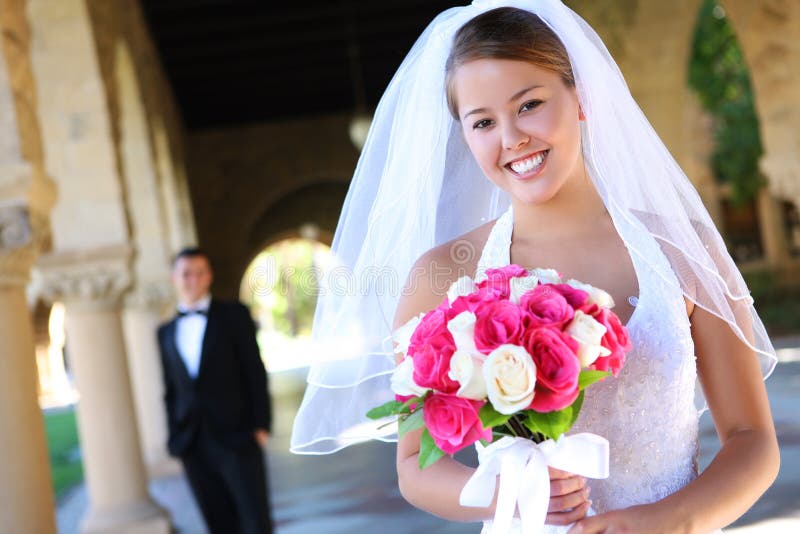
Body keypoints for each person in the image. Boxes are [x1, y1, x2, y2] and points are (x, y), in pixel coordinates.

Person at [291, 1, 779, 533]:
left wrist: (665, 521)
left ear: (582, 97)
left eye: (529, 105)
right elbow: (414, 467)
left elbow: (753, 441)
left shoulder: (684, 251)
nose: (511, 138)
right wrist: (505, 490)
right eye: (482, 121)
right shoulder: (442, 278)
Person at [157, 247, 273, 534]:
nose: (192, 279)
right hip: (193, 443)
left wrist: (261, 425)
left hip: (238, 435)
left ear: (209, 276)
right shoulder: (165, 332)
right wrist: (174, 437)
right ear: (174, 278)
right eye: (186, 273)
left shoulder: (235, 316)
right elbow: (170, 389)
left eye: (199, 272)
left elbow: (254, 372)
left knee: (255, 518)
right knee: (217, 521)